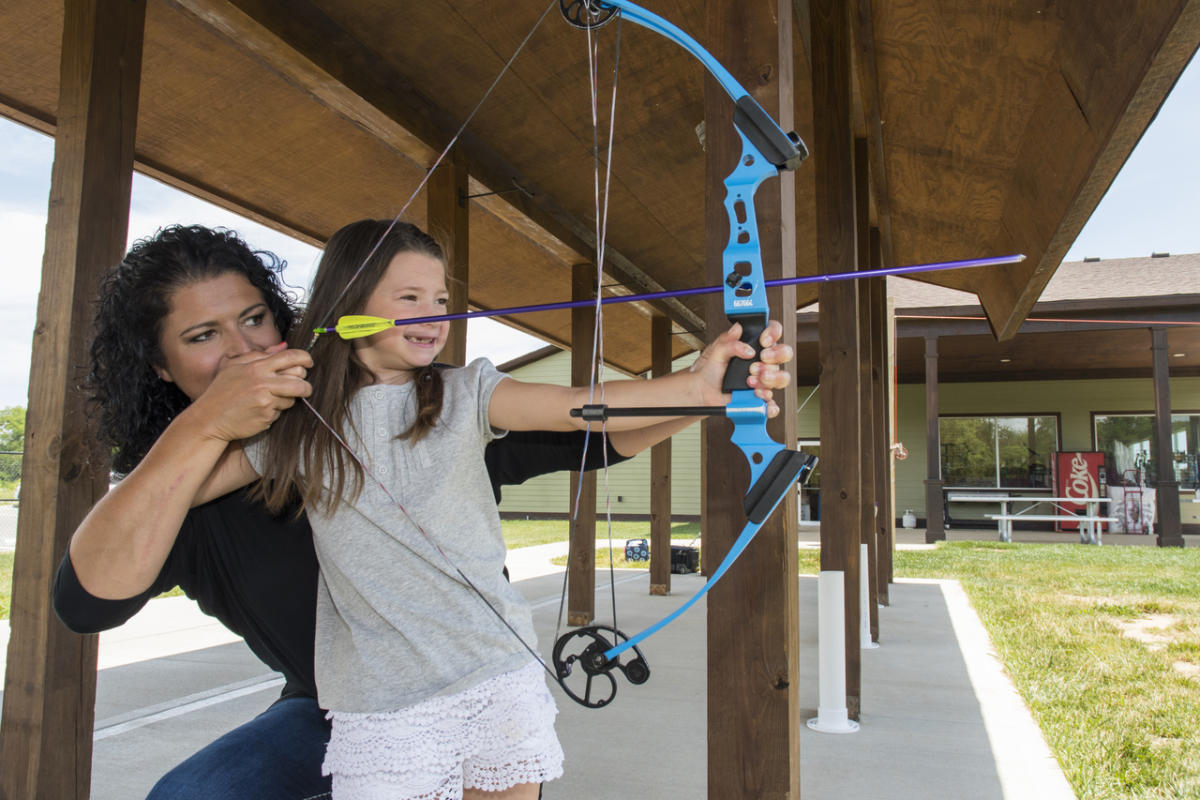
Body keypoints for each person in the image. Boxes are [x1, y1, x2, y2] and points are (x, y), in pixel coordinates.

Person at [55, 224, 794, 799]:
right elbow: (86, 600)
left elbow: (589, 433)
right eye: (202, 337)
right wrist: (206, 425)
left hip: (472, 683)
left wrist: (708, 390)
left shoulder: (422, 408)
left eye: (254, 319)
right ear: (160, 367)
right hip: (341, 707)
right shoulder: (185, 478)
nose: (245, 349)